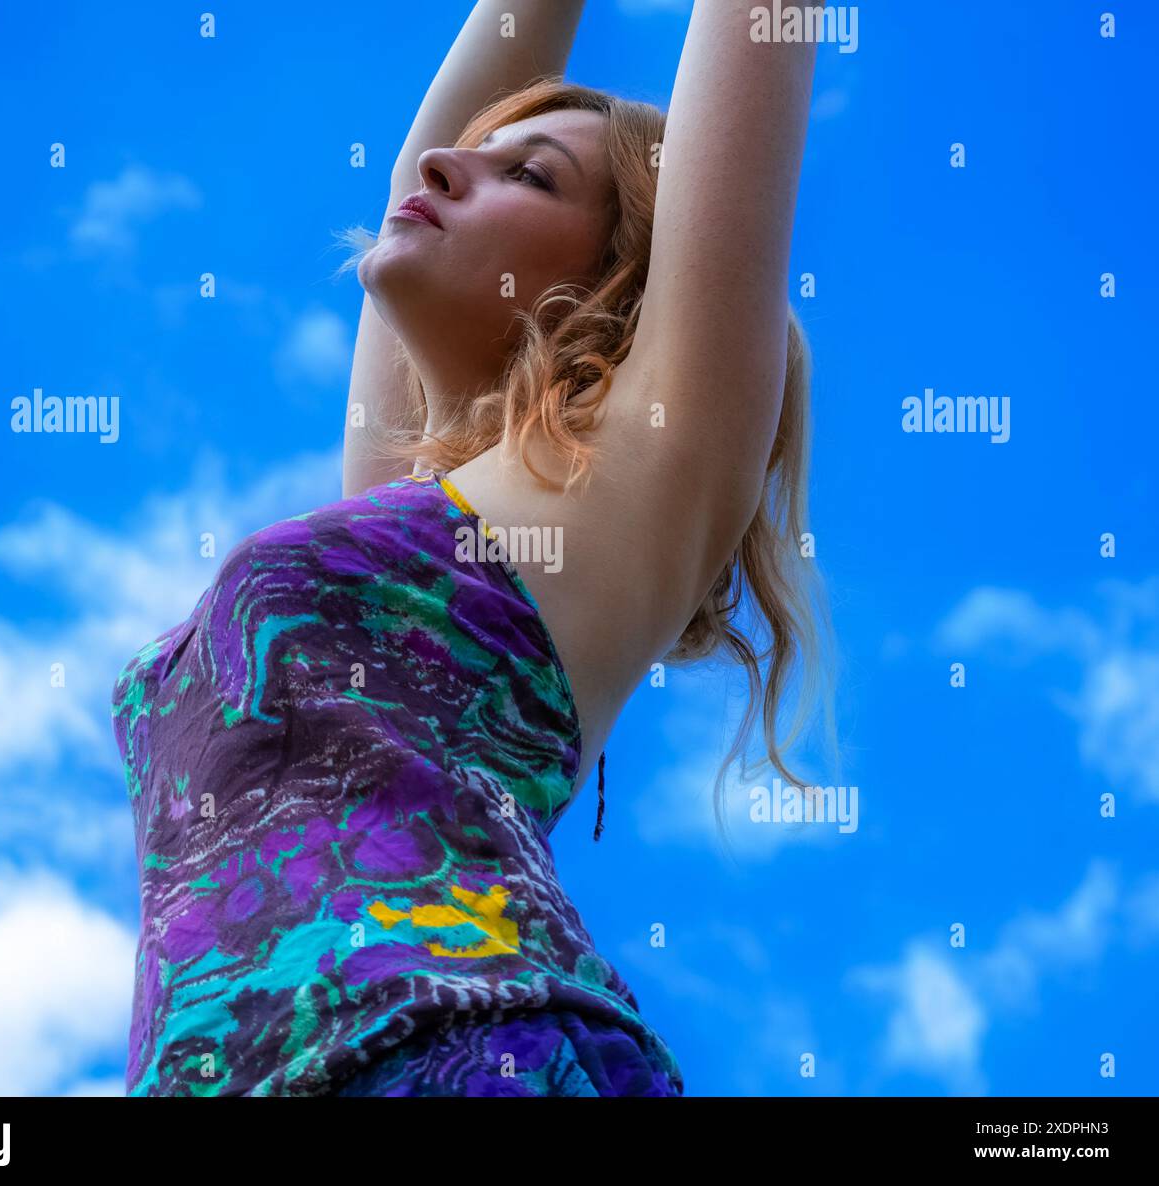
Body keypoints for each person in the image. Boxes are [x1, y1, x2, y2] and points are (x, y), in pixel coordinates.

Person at [112, 0, 829, 1097]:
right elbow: (434, 148)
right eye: (470, 156)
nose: (446, 167)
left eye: (529, 176)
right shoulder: (403, 503)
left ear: (627, 292)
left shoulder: (626, 485)